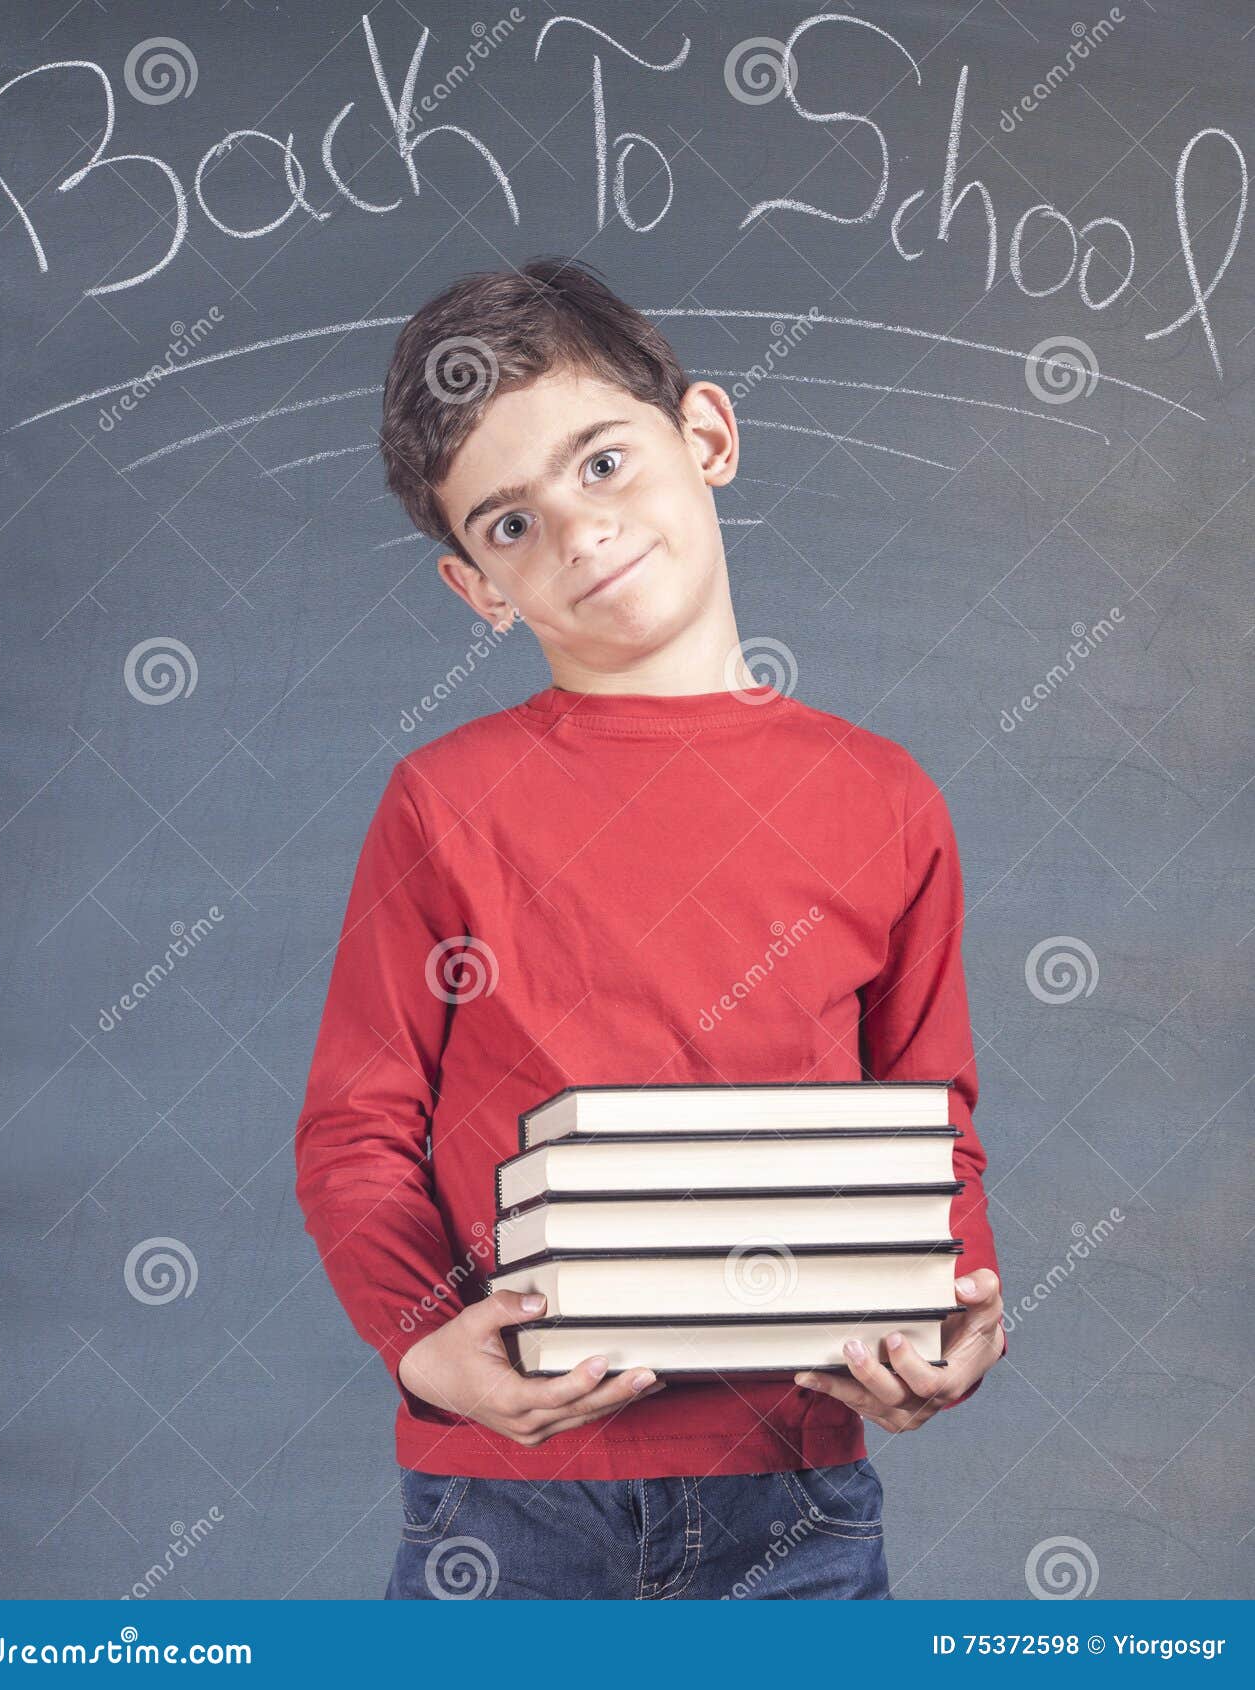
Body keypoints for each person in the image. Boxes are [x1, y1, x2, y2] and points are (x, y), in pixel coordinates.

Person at [293, 256, 1006, 1601]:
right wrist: (420, 1341)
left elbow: (929, 1111)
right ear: (476, 589)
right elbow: (357, 1125)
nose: (577, 531)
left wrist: (958, 1305)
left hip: (790, 1488)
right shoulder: (442, 802)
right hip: (507, 1505)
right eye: (510, 524)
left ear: (708, 437)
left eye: (603, 464)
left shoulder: (885, 797)